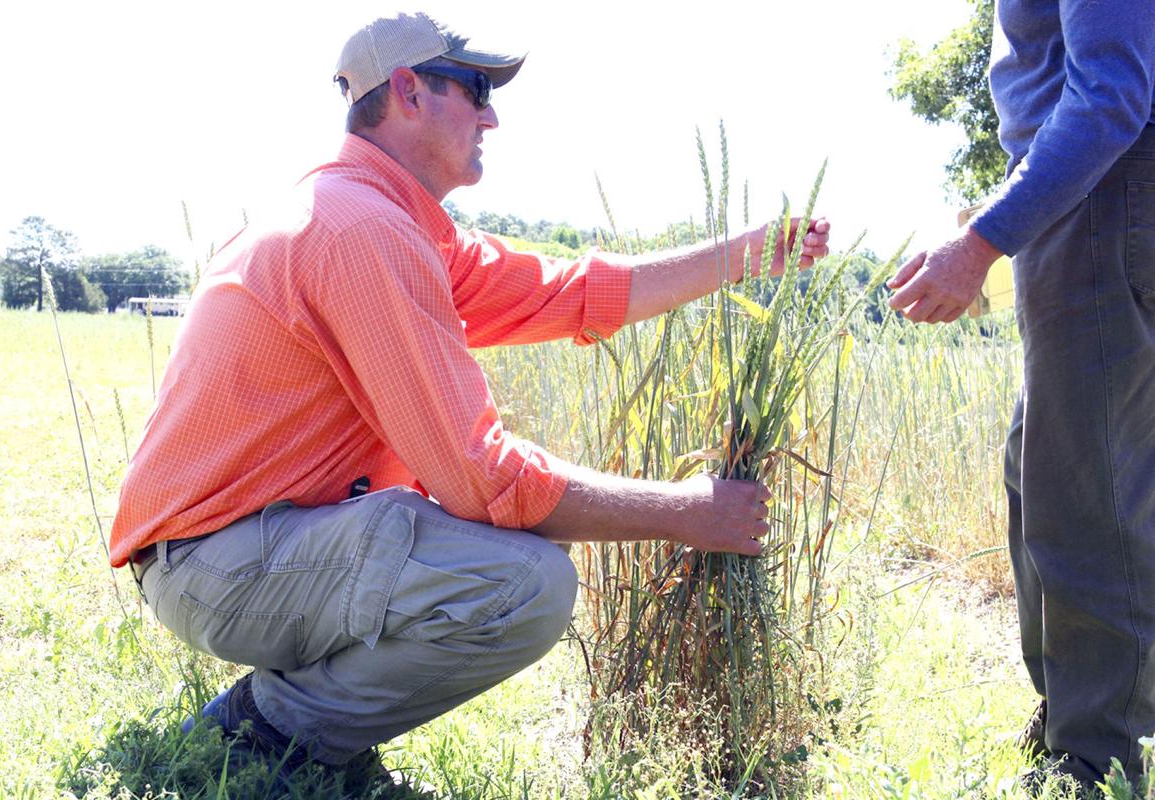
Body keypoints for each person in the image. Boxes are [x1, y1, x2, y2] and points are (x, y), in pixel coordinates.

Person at [109, 9, 830, 792]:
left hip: (244, 550)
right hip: (217, 565)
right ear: (410, 91)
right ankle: (268, 734)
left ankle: (300, 722)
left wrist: (750, 252)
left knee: (472, 550)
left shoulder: (390, 222)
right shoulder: (361, 233)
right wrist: (689, 511)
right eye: (477, 88)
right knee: (523, 583)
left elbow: (572, 292)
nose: (492, 114)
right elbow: (481, 478)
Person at [886, 0, 1155, 788]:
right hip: (1087, 198)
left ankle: (1097, 756)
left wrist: (981, 244)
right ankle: (1075, 710)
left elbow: (1112, 93)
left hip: (1104, 197)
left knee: (1085, 492)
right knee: (1037, 464)